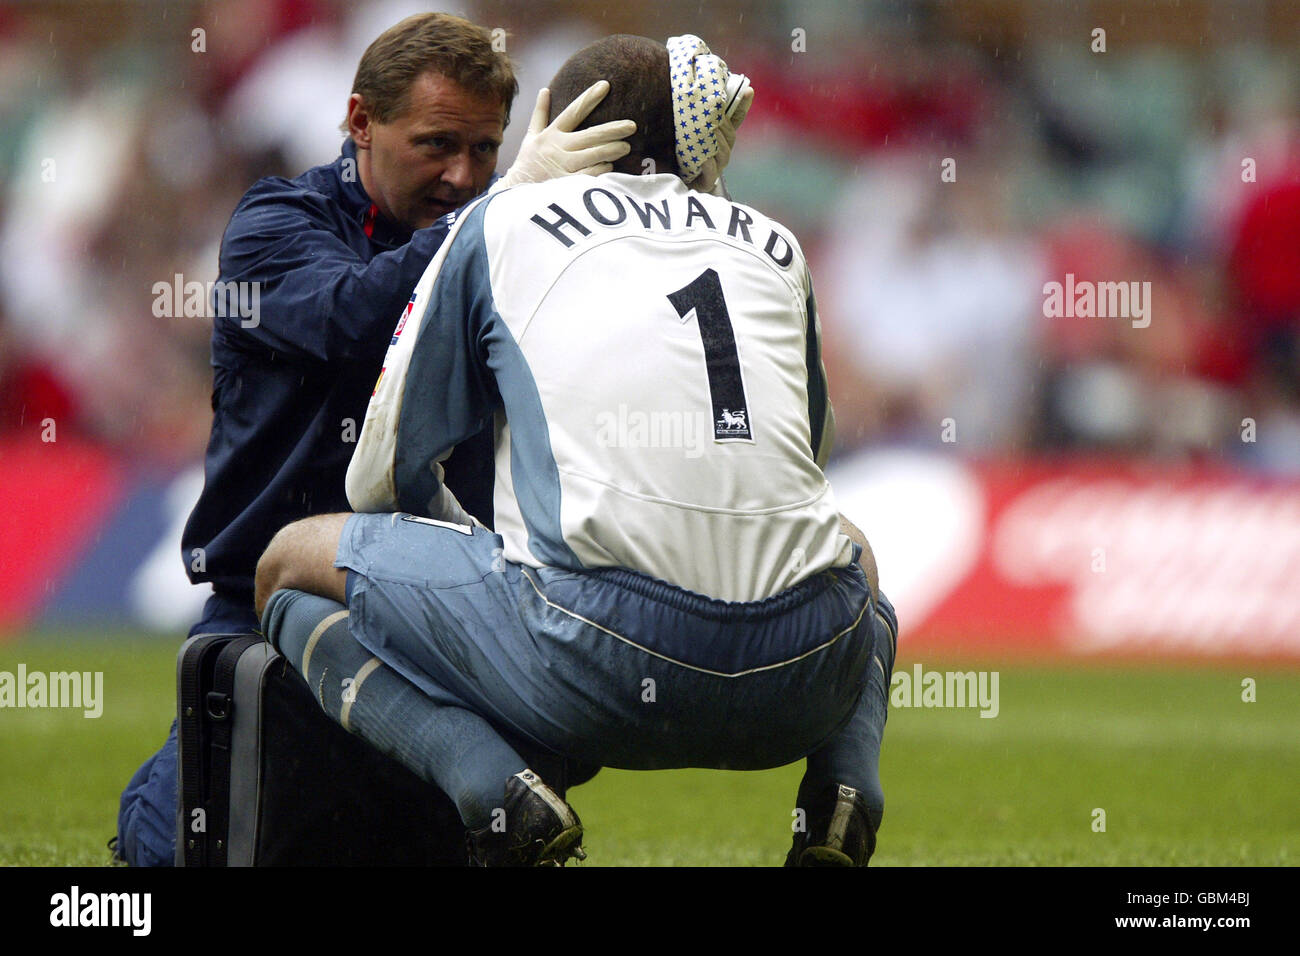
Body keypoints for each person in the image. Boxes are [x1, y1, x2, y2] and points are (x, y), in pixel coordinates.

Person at [253, 33, 896, 867]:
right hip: (807, 677)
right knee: (859, 555)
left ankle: (492, 789)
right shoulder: (776, 242)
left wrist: (484, 552)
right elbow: (810, 457)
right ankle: (846, 791)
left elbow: (380, 474)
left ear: (556, 124)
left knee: (285, 565)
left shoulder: (502, 220)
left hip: (595, 672)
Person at [113, 12, 638, 867]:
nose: (462, 176)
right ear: (360, 122)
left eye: (485, 149)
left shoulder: (512, 234)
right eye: (435, 144)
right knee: (174, 852)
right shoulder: (272, 227)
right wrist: (501, 214)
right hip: (270, 615)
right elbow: (352, 319)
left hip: (444, 615)